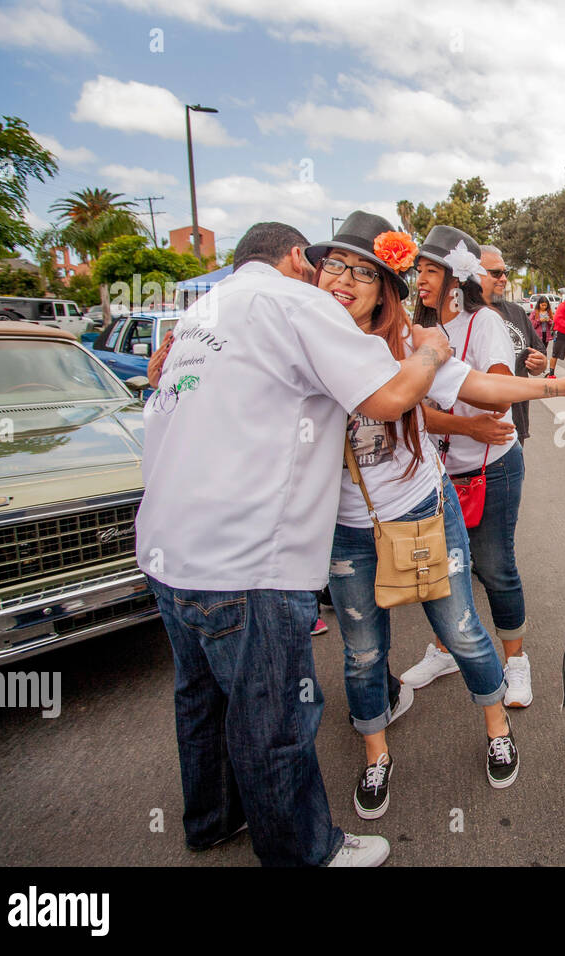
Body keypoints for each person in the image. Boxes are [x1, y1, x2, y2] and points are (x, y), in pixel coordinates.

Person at [137, 221, 456, 867]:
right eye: (325, 265)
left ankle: (214, 820)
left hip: (169, 549)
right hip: (245, 559)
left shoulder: (205, 309)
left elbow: (166, 405)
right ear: (293, 258)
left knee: (201, 699)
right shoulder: (293, 301)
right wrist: (433, 350)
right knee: (273, 720)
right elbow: (391, 396)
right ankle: (305, 853)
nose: (333, 279)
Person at [304, 214, 565, 805]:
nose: (346, 280)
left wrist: (557, 387)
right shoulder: (301, 343)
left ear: (385, 289)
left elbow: (481, 387)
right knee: (361, 655)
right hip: (347, 530)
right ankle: (376, 756)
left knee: (462, 631)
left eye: (365, 272)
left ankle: (497, 728)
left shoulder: (409, 343)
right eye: (336, 265)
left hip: (422, 510)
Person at [412, 226, 537, 708]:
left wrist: (460, 416)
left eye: (430, 270)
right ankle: (445, 649)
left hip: (494, 469)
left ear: (455, 277)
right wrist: (463, 425)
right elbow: (411, 410)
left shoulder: (483, 322)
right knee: (442, 570)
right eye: (417, 270)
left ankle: (517, 663)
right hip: (437, 474)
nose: (420, 280)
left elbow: (498, 403)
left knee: (494, 568)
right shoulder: (418, 332)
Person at [479, 245, 547, 445]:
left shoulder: (516, 312)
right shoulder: (466, 316)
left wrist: (540, 363)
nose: (504, 279)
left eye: (505, 273)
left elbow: (537, 351)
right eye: (496, 273)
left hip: (516, 423)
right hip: (480, 428)